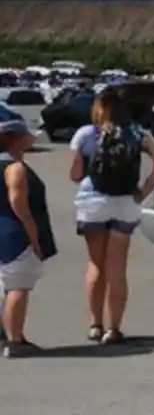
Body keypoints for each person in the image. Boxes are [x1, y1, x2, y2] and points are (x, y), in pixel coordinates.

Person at [69, 85, 154, 345]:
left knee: (96, 266)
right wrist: (143, 191)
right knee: (117, 269)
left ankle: (95, 325)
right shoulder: (138, 133)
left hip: (93, 202)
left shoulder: (86, 134)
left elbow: (75, 175)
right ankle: (113, 330)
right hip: (125, 203)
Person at [0, 119, 57, 358]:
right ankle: (15, 341)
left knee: (5, 285)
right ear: (16, 138)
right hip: (16, 234)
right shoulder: (15, 167)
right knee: (18, 287)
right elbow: (18, 202)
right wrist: (33, 236)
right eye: (26, 135)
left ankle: (8, 335)